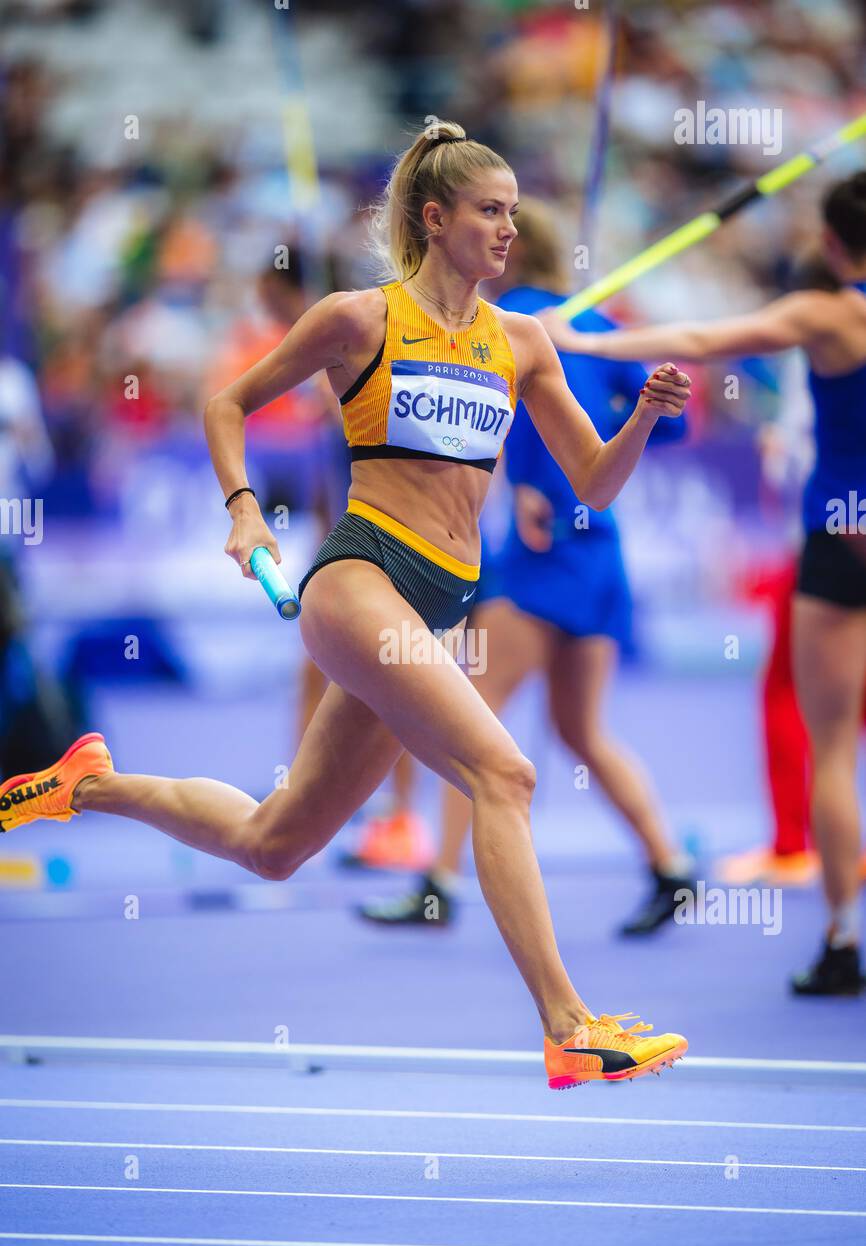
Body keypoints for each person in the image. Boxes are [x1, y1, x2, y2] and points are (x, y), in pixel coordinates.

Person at [0, 123, 691, 1088]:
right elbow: (227, 403)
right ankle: (569, 1026)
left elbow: (597, 484)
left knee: (274, 844)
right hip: (360, 580)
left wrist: (646, 418)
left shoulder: (524, 341)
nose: (507, 229)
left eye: (513, 213)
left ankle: (90, 783)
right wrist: (244, 512)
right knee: (505, 772)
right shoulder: (358, 318)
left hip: (439, 603)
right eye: (488, 211)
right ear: (434, 218)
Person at [542, 170, 866, 997]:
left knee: (834, 751)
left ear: (830, 245)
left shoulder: (827, 313)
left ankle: (841, 940)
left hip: (841, 540)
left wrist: (582, 340)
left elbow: (705, 338)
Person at [359, 195, 696, 936]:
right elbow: (675, 423)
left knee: (466, 721)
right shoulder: (596, 326)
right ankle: (671, 866)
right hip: (602, 546)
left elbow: (497, 419)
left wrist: (536, 486)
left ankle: (438, 884)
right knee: (581, 730)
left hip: (547, 556)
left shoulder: (510, 330)